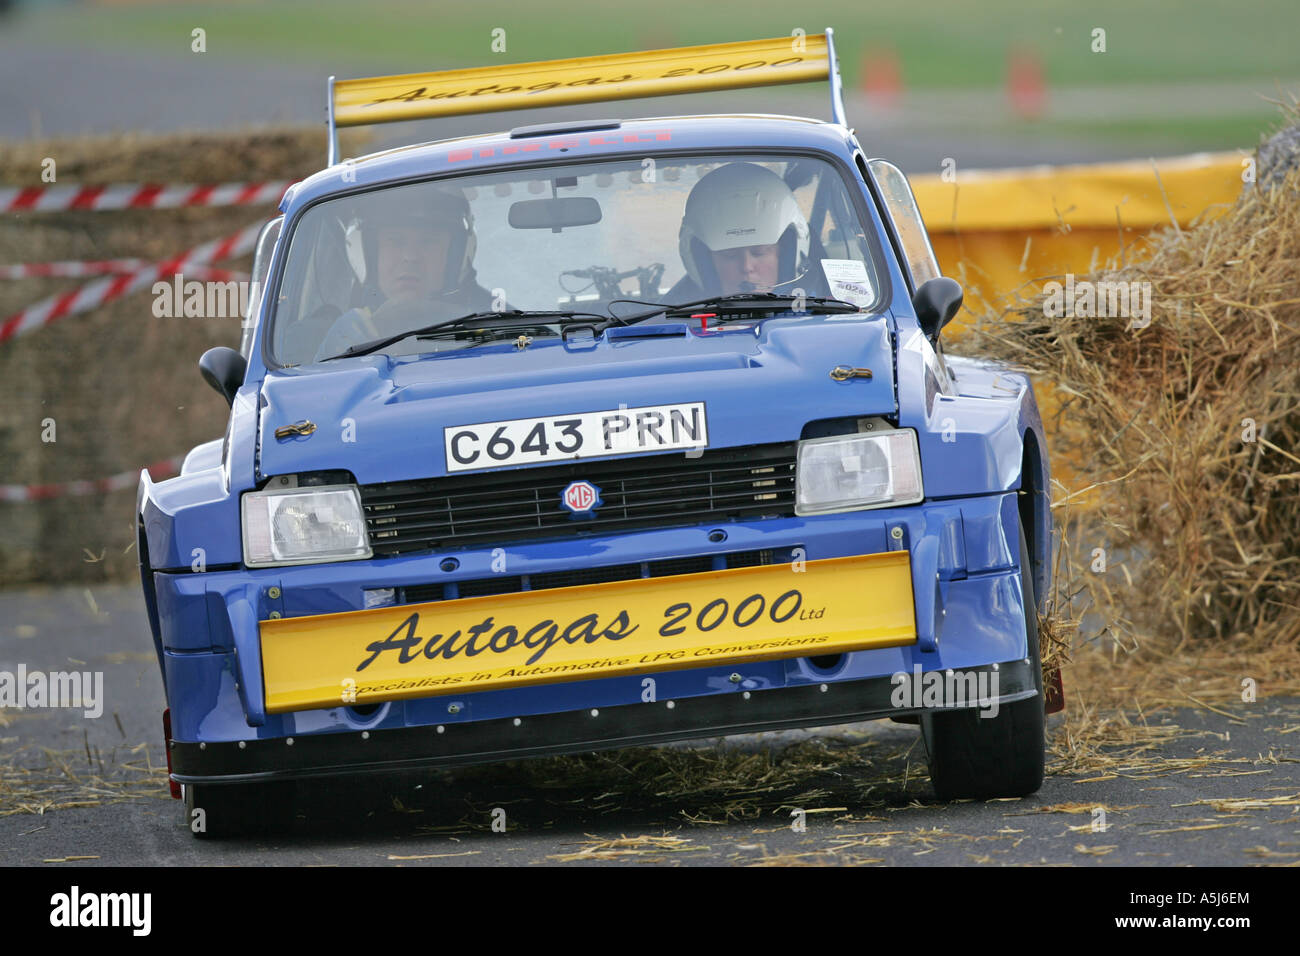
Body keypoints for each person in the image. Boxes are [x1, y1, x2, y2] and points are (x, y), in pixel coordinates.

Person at [313, 186, 494, 361]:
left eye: (428, 242)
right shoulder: (338, 335)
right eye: (395, 241)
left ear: (456, 255)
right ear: (368, 254)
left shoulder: (499, 325)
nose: (410, 257)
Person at [672, 162, 812, 300]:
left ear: (785, 253)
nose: (746, 267)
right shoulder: (669, 314)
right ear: (705, 261)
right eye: (729, 255)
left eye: (759, 252)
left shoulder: (825, 310)